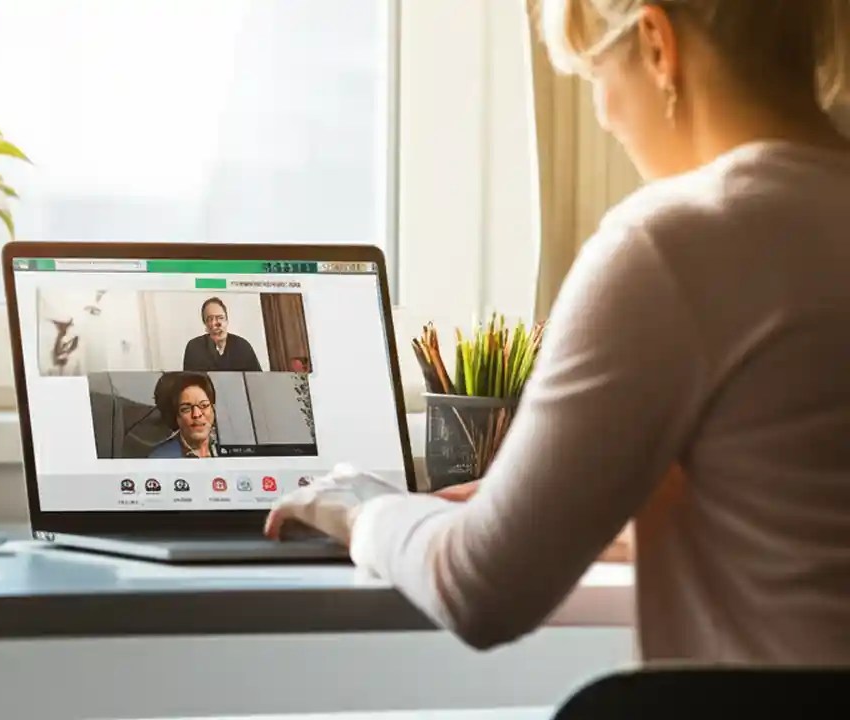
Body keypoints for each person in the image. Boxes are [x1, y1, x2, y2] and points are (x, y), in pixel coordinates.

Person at [266, 0, 850, 664]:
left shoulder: (676, 242)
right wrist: (567, 500)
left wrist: (359, 509)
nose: (602, 113)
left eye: (596, 73)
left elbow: (480, 587)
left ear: (658, 45)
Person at [148, 372, 219, 459]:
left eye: (204, 405)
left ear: (213, 408)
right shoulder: (161, 459)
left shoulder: (230, 447)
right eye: (186, 409)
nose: (196, 414)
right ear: (176, 416)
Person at [182, 297, 262, 372]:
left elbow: (256, 380)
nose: (214, 323)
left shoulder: (242, 346)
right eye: (209, 319)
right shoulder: (194, 347)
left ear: (227, 320)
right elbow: (190, 382)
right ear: (205, 324)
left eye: (220, 318)